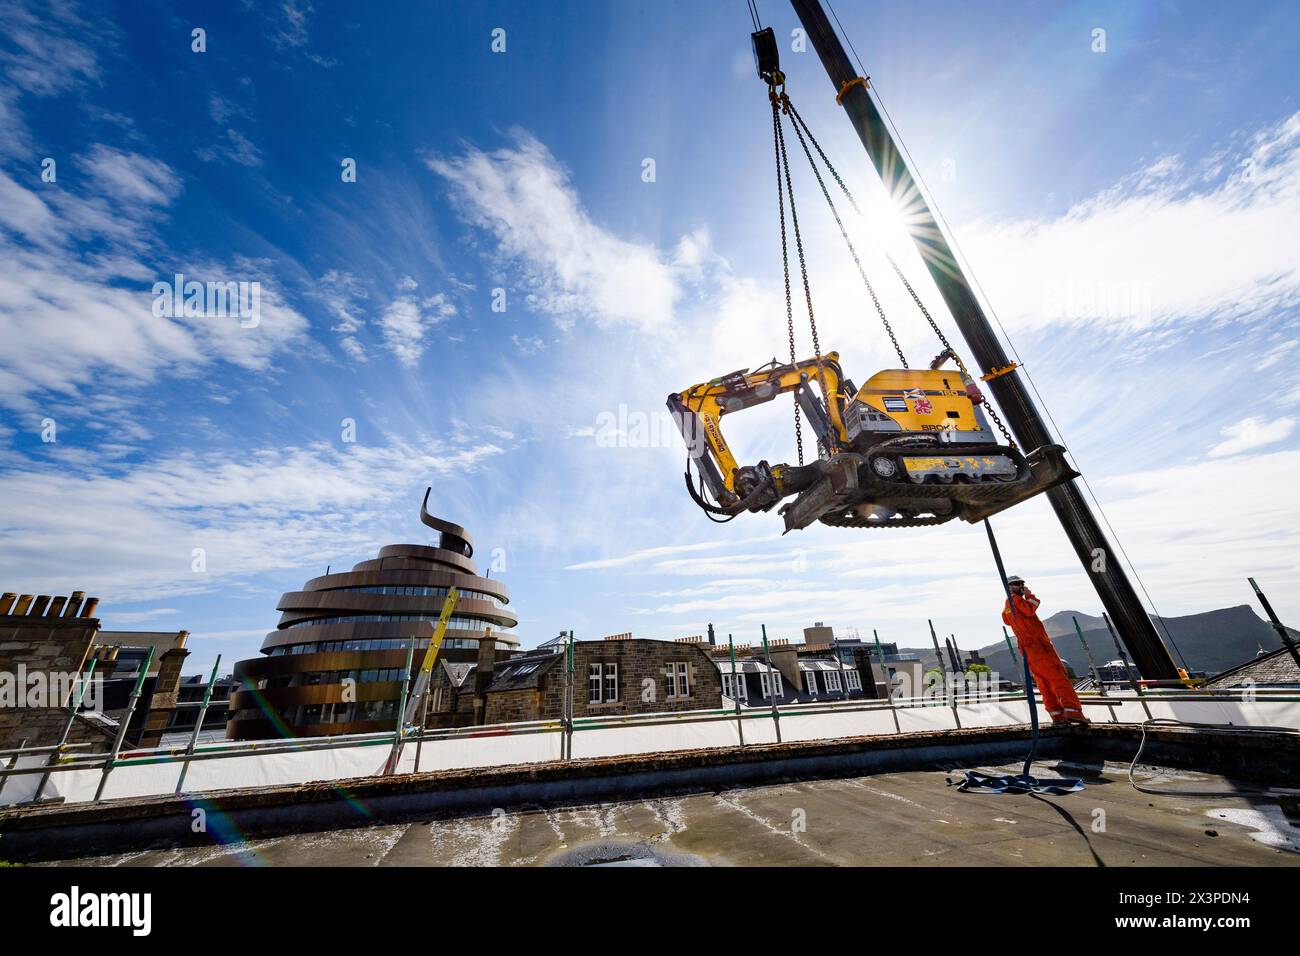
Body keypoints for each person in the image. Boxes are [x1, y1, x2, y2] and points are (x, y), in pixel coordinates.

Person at [1001, 575, 1089, 726]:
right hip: (1039, 647)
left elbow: (1006, 620)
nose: (1022, 586)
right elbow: (1030, 609)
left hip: (1028, 649)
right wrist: (1029, 594)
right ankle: (1074, 713)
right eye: (1018, 584)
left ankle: (1057, 715)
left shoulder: (1008, 605)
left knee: (1044, 682)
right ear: (1010, 587)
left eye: (1022, 584)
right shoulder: (1016, 600)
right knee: (1059, 679)